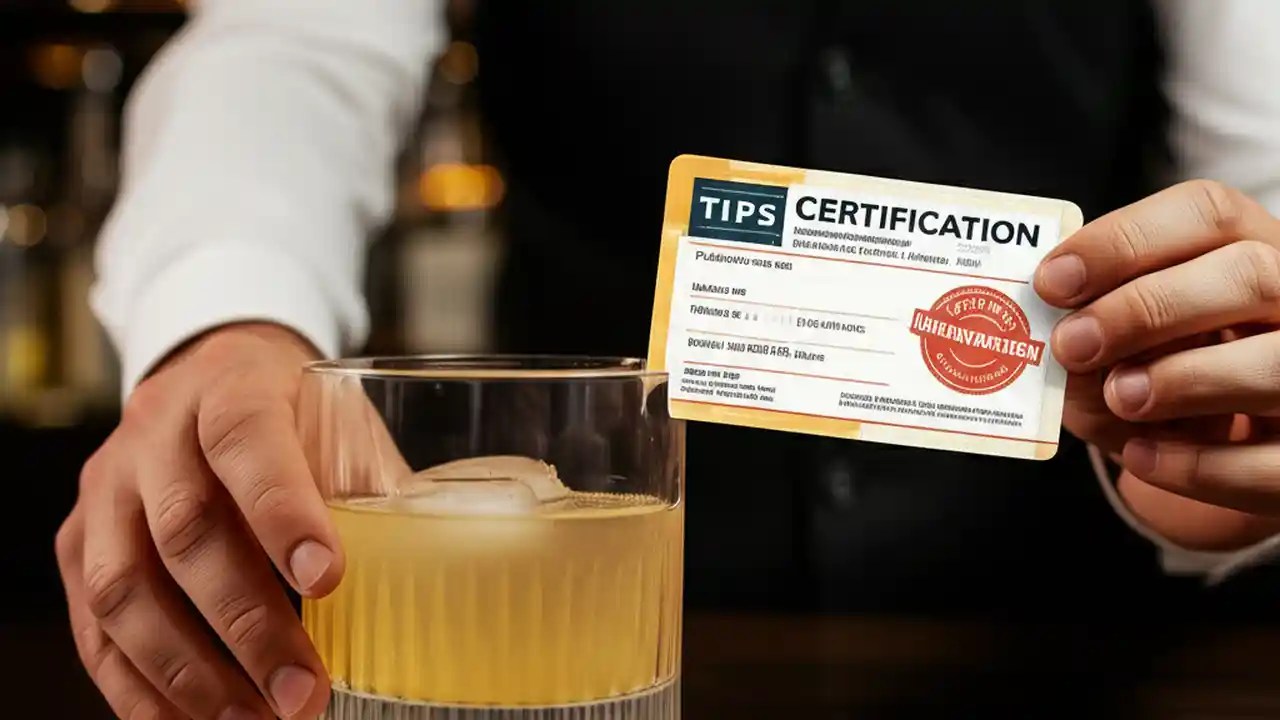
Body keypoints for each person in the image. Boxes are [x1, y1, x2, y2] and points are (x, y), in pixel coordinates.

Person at [52, 1, 1280, 718]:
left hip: (1080, 659)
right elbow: (291, 40)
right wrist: (224, 319)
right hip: (566, 662)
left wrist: (1221, 429)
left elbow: (1259, 170)